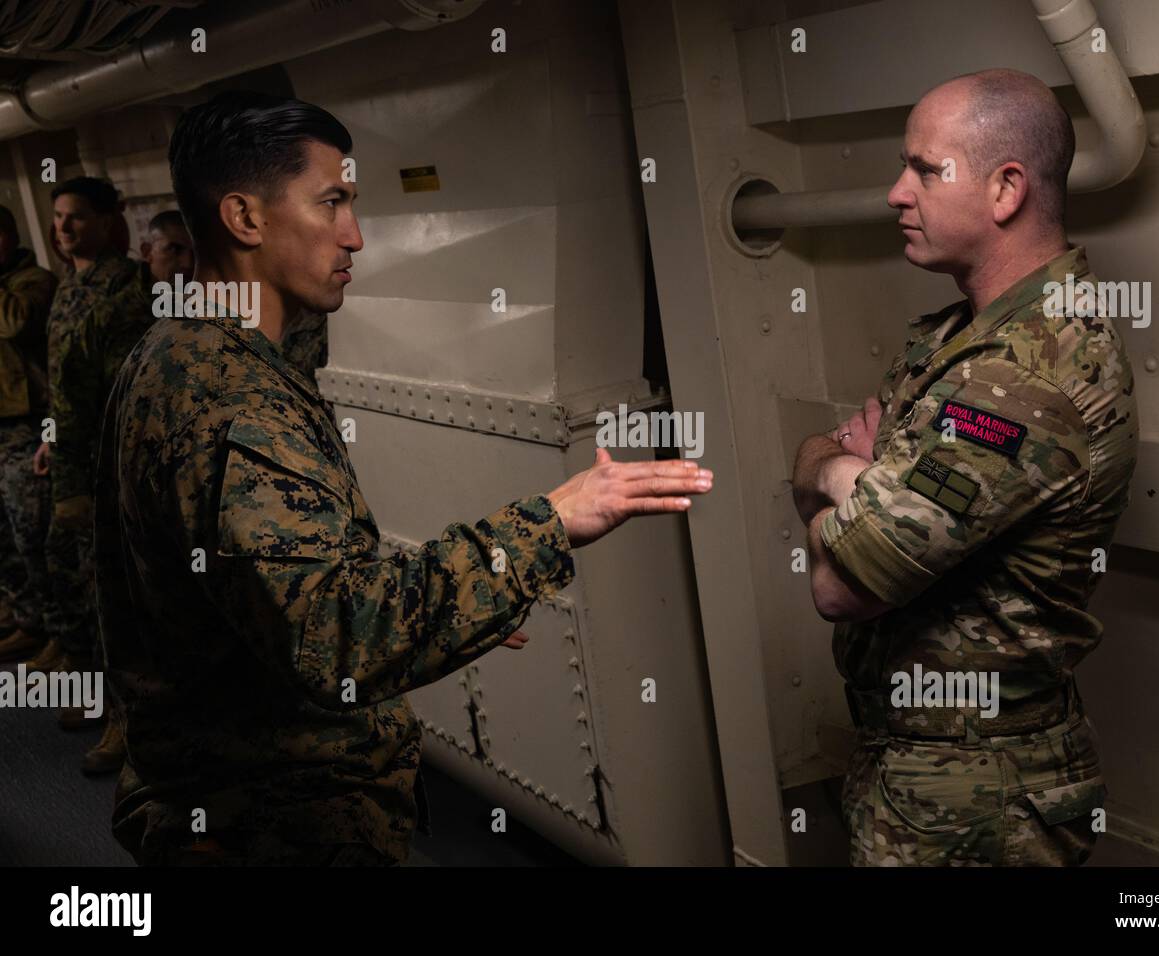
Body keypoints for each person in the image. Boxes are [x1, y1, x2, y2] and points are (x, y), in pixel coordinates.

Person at [95, 91, 713, 866]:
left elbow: (260, 586)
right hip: (278, 824)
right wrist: (546, 526)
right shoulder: (234, 401)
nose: (355, 236)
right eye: (331, 204)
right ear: (245, 219)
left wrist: (462, 598)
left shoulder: (173, 352)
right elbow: (340, 637)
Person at [793, 68, 1138, 866]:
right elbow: (831, 500)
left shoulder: (1024, 376)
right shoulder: (959, 340)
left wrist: (839, 473)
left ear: (1005, 189)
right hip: (918, 765)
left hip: (979, 798)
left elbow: (839, 584)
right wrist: (842, 471)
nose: (894, 193)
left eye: (923, 168)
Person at [28, 178, 139, 716]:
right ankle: (82, 673)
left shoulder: (127, 288)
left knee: (107, 587)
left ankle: (123, 713)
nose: (63, 228)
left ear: (104, 221)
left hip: (104, 461)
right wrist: (51, 438)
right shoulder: (69, 284)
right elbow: (62, 381)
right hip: (69, 455)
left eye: (74, 217)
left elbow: (122, 390)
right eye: (57, 218)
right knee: (64, 566)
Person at [0, 205, 57, 664]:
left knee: (33, 533)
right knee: (5, 535)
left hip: (25, 428)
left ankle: (61, 631)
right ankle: (26, 619)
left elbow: (14, 321)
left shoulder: (32, 281)